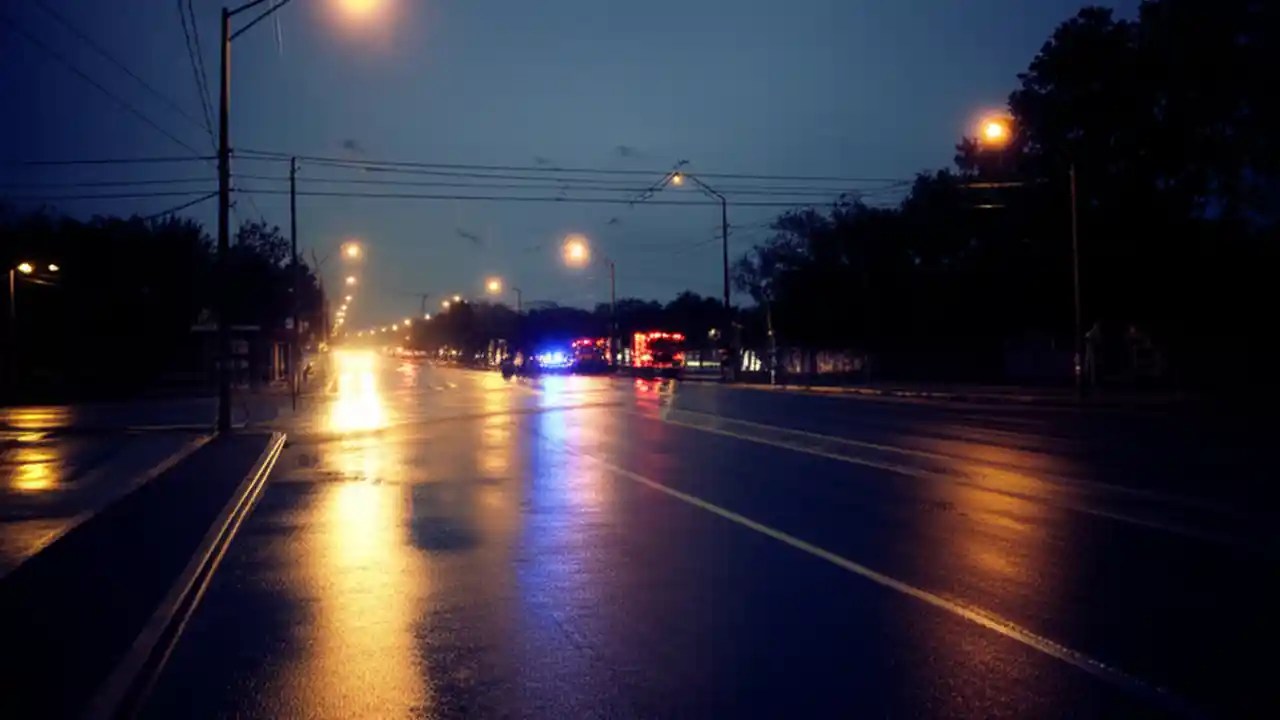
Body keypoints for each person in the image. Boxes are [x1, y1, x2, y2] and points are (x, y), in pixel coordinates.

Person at [1084, 320, 1103, 390]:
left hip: (1090, 352)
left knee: (1089, 366)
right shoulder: (1094, 332)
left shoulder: (1090, 333)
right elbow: (1099, 342)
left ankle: (1089, 380)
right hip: (1092, 351)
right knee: (1092, 367)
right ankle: (1092, 381)